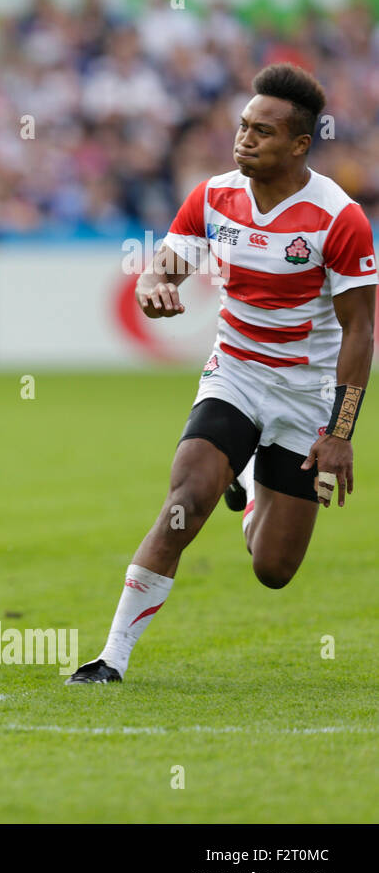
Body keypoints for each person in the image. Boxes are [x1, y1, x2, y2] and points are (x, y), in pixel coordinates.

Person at [67, 64, 375, 685]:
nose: (245, 139)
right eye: (242, 126)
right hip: (234, 373)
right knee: (185, 502)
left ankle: (254, 483)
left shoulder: (338, 218)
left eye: (263, 131)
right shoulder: (212, 197)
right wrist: (153, 288)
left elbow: (360, 331)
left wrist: (340, 433)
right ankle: (111, 657)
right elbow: (162, 269)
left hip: (307, 394)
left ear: (300, 144)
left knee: (273, 569)